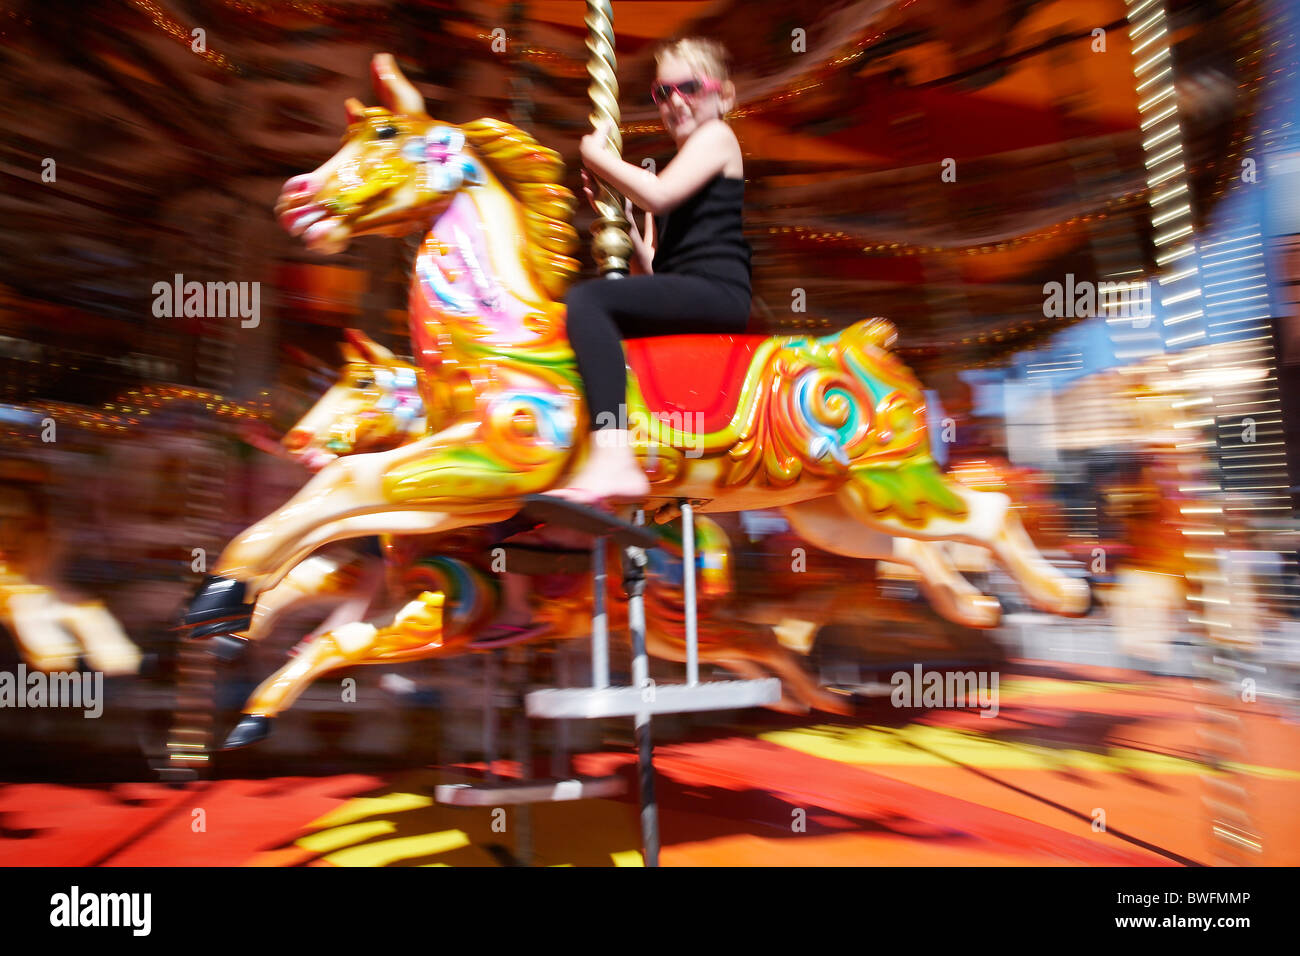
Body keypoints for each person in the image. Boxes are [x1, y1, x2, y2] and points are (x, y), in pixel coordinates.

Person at [470, 36, 753, 646]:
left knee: (588, 301)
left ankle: (613, 452)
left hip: (721, 295)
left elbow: (658, 193)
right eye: (663, 92)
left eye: (690, 88)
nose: (675, 101)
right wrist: (631, 231)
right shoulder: (688, 164)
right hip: (695, 289)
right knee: (591, 328)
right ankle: (574, 488)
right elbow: (662, 273)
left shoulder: (716, 139)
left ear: (723, 96)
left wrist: (596, 157)